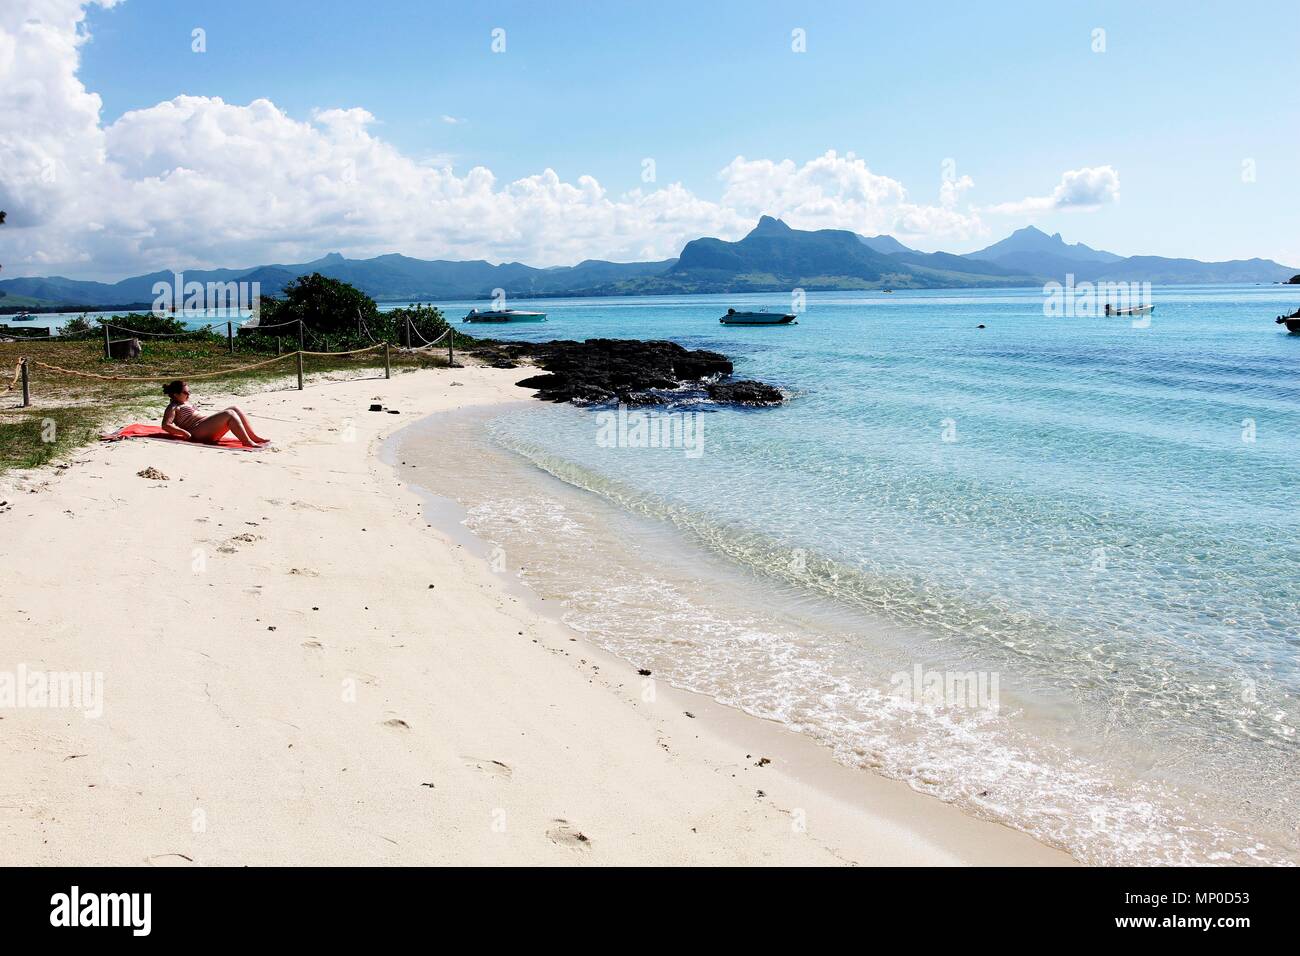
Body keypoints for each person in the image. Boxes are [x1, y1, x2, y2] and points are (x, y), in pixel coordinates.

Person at [160, 380, 269, 447]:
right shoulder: (173, 407)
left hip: (205, 428)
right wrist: (184, 433)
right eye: (185, 392)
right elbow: (165, 425)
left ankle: (253, 437)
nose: (188, 394)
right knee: (229, 413)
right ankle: (246, 441)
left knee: (234, 408)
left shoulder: (185, 403)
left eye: (189, 392)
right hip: (197, 432)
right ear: (175, 395)